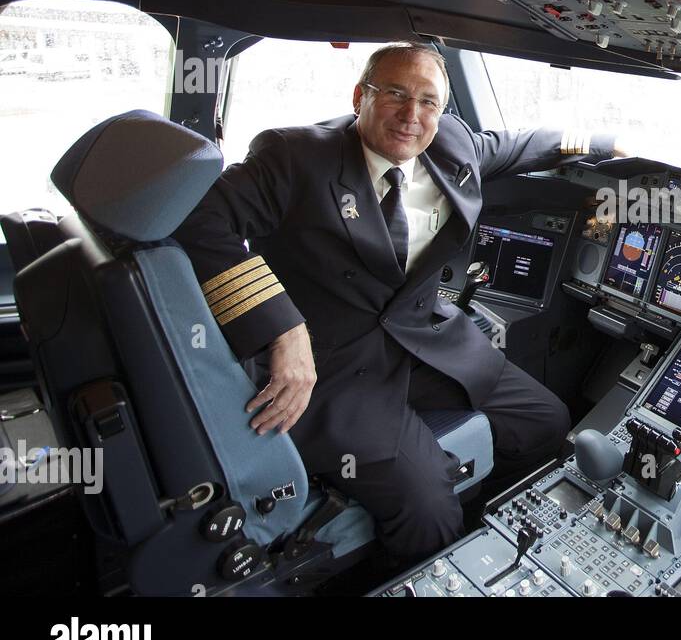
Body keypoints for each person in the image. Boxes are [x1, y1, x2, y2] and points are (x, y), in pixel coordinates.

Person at [172, 41, 621, 562]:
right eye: (395, 94)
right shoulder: (295, 157)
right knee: (428, 506)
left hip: (427, 344)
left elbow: (519, 143)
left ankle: (505, 541)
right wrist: (282, 329)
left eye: (429, 101)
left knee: (547, 420)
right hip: (331, 368)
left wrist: (603, 139)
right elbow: (199, 222)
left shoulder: (451, 144)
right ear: (361, 94)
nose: (412, 115)